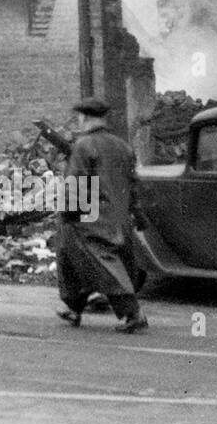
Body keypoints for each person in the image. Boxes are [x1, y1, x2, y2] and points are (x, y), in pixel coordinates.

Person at [54, 97, 148, 333]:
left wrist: (68, 214)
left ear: (84, 118)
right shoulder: (122, 146)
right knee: (71, 257)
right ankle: (74, 308)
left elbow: (76, 183)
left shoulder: (84, 145)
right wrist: (137, 213)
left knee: (97, 261)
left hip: (92, 217)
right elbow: (133, 184)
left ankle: (132, 313)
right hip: (118, 215)